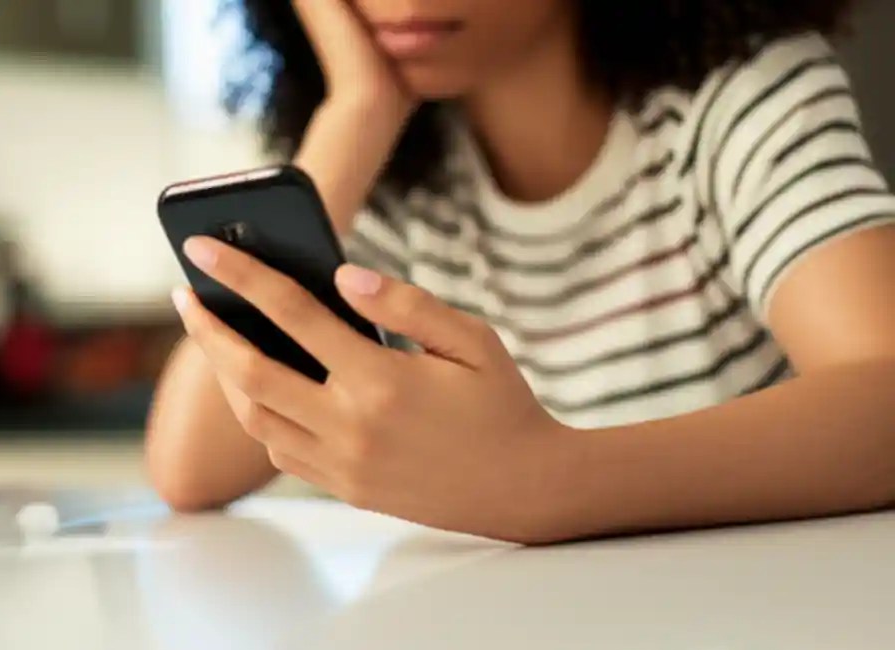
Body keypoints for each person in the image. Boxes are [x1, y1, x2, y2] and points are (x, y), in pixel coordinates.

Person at [145, 0, 895, 543]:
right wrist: (356, 115)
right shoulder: (405, 166)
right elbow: (190, 469)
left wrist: (549, 481)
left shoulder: (737, 98)